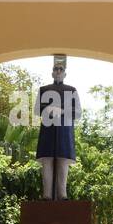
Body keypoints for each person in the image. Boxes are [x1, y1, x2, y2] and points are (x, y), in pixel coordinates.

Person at [34, 55, 81, 198]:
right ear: (52, 73)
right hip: (48, 130)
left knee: (63, 160)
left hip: (65, 130)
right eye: (56, 69)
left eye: (61, 69)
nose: (58, 71)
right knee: (47, 160)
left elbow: (78, 112)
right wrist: (48, 109)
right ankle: (46, 195)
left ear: (65, 73)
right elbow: (36, 110)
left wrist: (63, 111)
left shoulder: (72, 90)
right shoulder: (43, 89)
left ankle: (62, 194)